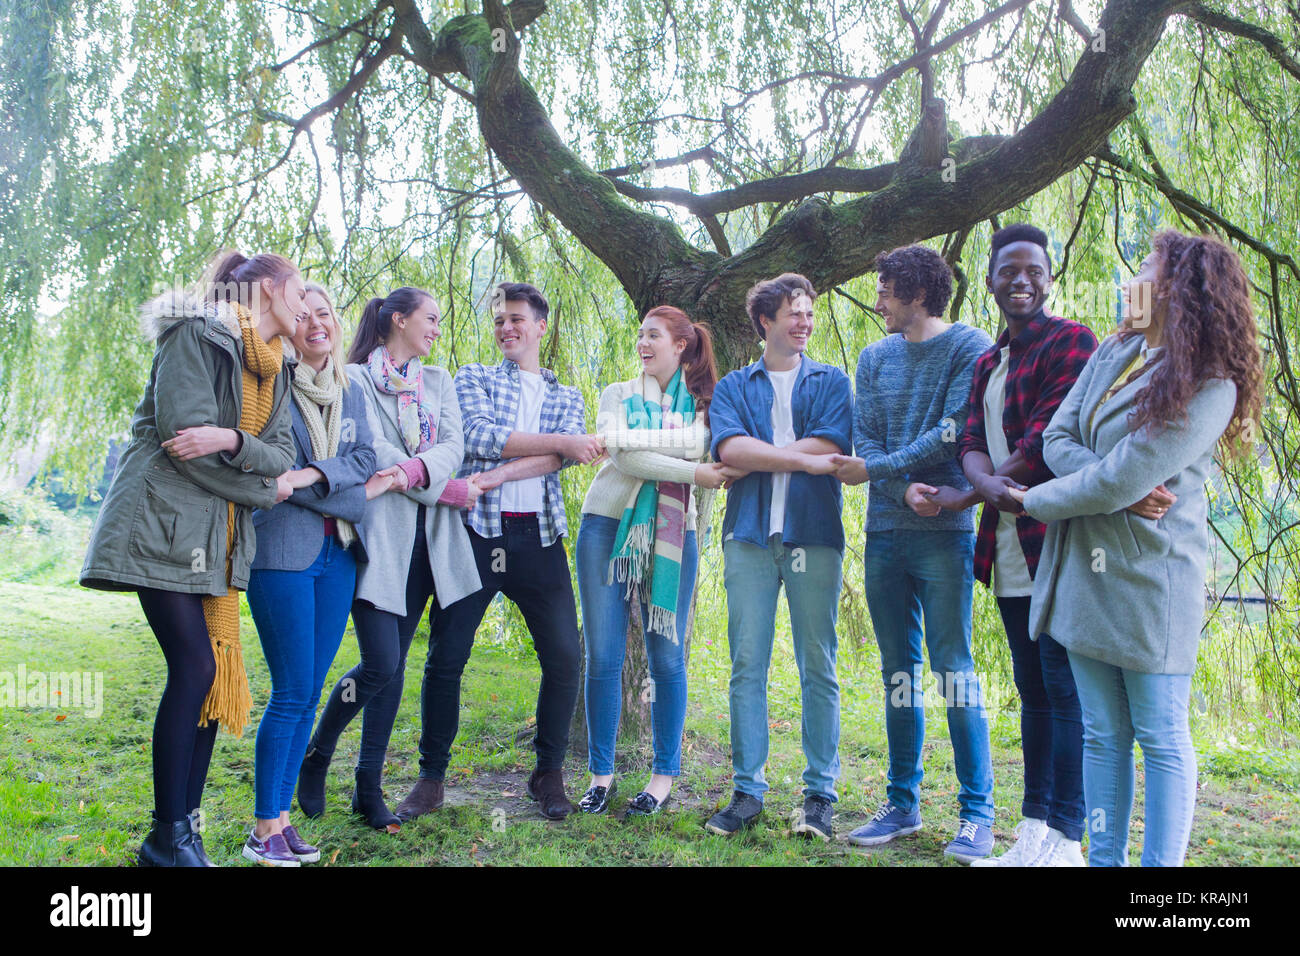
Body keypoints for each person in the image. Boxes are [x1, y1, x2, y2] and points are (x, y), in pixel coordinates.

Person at [1008, 230, 1262, 866]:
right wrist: (1113, 487)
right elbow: (1059, 440)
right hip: (1089, 578)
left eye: (1142, 269)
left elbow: (1120, 473)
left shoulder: (1212, 386)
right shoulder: (1119, 351)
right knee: (1103, 735)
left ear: (1176, 288)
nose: (1128, 282)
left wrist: (1038, 499)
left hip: (1151, 585)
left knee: (1160, 735)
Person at [80, 250, 301, 866]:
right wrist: (259, 484)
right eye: (299, 289)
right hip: (160, 525)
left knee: (204, 680)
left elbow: (281, 452)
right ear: (264, 288)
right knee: (196, 670)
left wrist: (233, 438)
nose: (307, 303)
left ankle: (182, 831)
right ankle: (167, 833)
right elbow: (185, 443)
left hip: (216, 537)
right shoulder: (195, 335)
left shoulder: (276, 368)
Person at [393, 281, 603, 822]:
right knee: (447, 657)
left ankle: (548, 774)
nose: (506, 329)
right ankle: (431, 778)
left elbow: (562, 460)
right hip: (478, 533)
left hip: (538, 536)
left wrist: (511, 470)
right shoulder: (475, 378)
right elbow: (482, 437)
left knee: (564, 657)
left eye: (516, 320)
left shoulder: (566, 396)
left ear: (540, 326)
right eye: (499, 321)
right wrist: (560, 443)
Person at [831, 244, 996, 863]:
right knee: (899, 671)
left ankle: (976, 814)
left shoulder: (969, 346)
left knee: (954, 669)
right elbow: (864, 433)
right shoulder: (873, 358)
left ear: (918, 291)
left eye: (885, 287)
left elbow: (954, 428)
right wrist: (897, 484)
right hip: (887, 532)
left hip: (945, 535)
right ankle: (903, 803)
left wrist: (875, 469)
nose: (877, 298)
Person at [296, 286, 483, 831]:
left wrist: (412, 477)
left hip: (434, 547)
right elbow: (374, 454)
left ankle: (367, 787)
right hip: (381, 543)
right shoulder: (352, 378)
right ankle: (319, 752)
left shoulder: (439, 381)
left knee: (394, 671)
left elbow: (455, 447)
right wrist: (441, 488)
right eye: (430, 318)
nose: (436, 329)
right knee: (380, 662)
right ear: (397, 320)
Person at [956, 225, 1098, 867]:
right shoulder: (988, 360)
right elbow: (967, 438)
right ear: (988, 281)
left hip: (1054, 541)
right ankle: (1034, 828)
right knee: (1032, 687)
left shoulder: (1073, 342)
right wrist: (981, 481)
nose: (1020, 278)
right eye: (1007, 269)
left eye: (1033, 269)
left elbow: (1045, 440)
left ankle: (1068, 837)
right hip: (1007, 546)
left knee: (1063, 686)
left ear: (1049, 277)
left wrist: (977, 489)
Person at [240, 281, 391, 865]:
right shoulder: (273, 381)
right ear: (289, 324)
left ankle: (280, 819)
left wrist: (304, 481)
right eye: (303, 316)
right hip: (281, 555)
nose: (315, 324)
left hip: (339, 558)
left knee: (307, 696)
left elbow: (363, 461)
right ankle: (261, 830)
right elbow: (268, 468)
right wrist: (344, 496)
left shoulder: (349, 388)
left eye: (324, 314)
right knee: (292, 691)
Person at [703, 273, 853, 842]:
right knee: (748, 664)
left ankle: (819, 796)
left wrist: (763, 457)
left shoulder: (831, 380)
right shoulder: (736, 386)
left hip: (813, 536)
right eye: (793, 312)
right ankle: (748, 791)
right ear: (765, 321)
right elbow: (728, 448)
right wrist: (796, 456)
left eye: (810, 312)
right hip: (748, 538)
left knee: (820, 665)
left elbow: (832, 443)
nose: (804, 321)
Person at [575, 306, 728, 816]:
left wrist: (637, 440)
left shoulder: (706, 403)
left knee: (666, 656)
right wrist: (690, 468)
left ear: (681, 344)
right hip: (604, 525)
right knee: (604, 656)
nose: (643, 342)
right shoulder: (616, 394)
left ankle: (662, 777)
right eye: (639, 333)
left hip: (672, 535)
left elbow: (692, 443)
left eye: (654, 335)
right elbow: (625, 459)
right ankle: (601, 775)